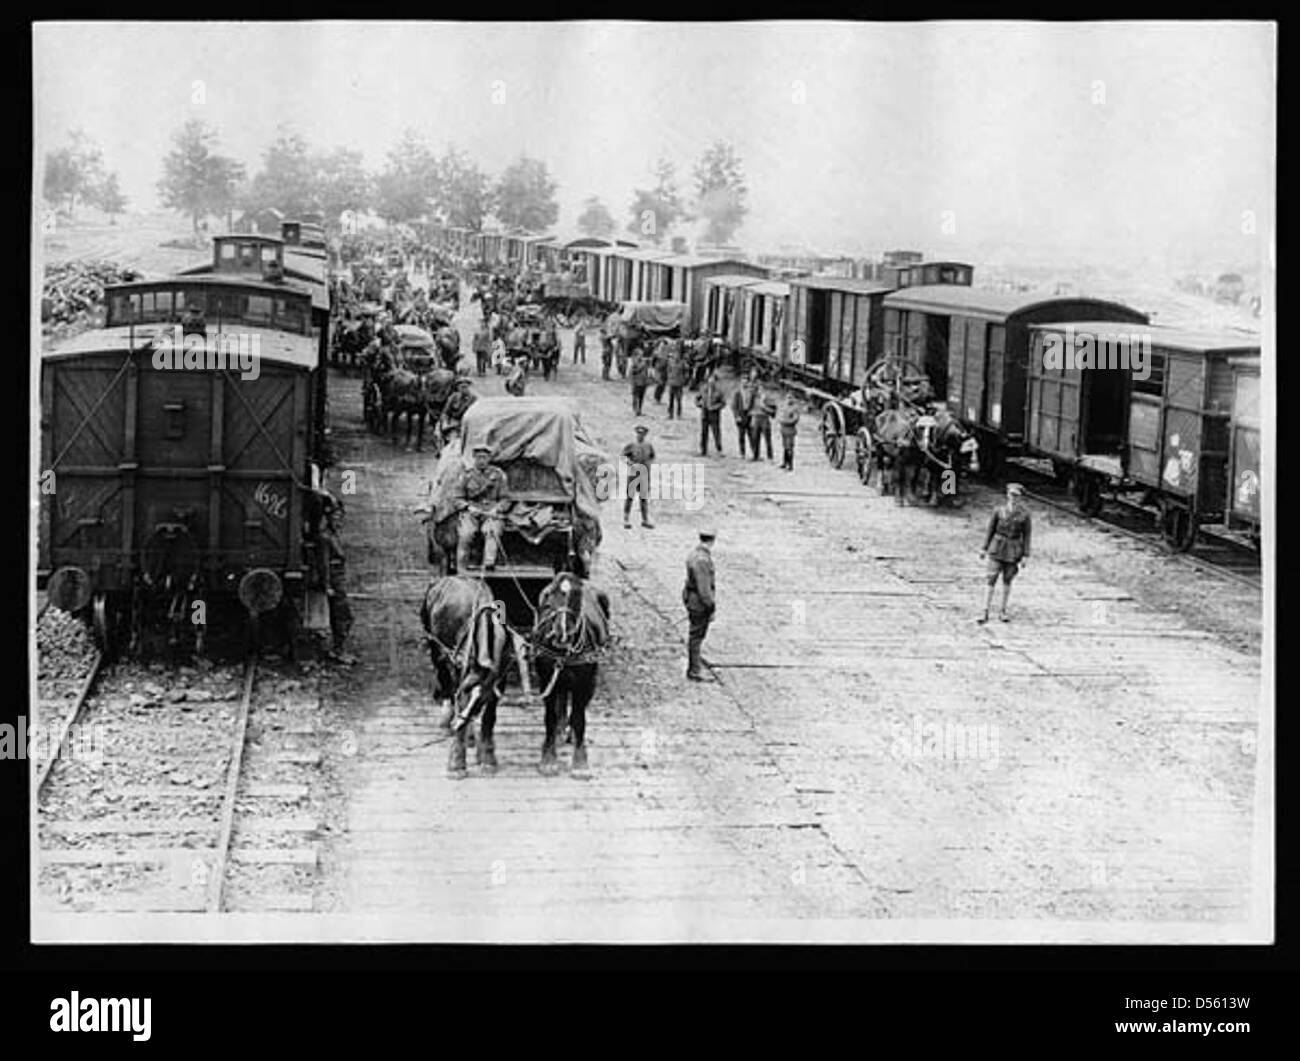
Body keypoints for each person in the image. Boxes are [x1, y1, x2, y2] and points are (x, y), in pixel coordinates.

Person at [312, 488, 355, 665]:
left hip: (338, 579)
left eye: (340, 516)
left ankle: (338, 648)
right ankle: (339, 650)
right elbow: (323, 563)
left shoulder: (332, 535)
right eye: (336, 516)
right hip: (334, 581)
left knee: (343, 617)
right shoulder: (325, 538)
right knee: (343, 616)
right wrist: (327, 585)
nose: (339, 520)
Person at [978, 483, 1032, 623]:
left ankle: (1003, 611)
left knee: (1007, 580)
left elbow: (1026, 536)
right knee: (991, 578)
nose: (1013, 498)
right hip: (997, 547)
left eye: (1017, 496)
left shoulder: (1025, 515)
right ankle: (985, 610)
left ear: (1020, 498)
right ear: (1007, 495)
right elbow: (990, 530)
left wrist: (1026, 555)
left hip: (1013, 550)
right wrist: (984, 548)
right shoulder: (998, 511)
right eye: (1011, 495)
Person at [455, 445, 508, 573]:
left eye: (484, 457)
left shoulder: (498, 475)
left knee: (491, 531)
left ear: (489, 458)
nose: (481, 460)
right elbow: (457, 499)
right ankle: (461, 567)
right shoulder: (466, 476)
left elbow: (505, 499)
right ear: (474, 458)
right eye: (478, 457)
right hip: (472, 512)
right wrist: (468, 507)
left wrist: (497, 509)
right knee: (466, 533)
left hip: (491, 512)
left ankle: (488, 565)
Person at [682, 526, 717, 681]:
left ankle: (694, 667)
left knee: (695, 636)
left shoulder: (694, 554)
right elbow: (704, 588)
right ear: (713, 540)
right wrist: (711, 607)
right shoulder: (702, 560)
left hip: (691, 598)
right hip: (699, 603)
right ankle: (694, 670)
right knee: (696, 636)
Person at [621, 424, 656, 529]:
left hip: (644, 475)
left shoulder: (648, 445)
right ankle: (626, 519)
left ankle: (645, 519)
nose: (641, 435)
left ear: (645, 434)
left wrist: (648, 465)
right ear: (636, 434)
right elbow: (623, 456)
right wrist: (630, 463)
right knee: (630, 497)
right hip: (633, 474)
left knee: (644, 498)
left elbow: (652, 456)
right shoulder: (631, 445)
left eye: (643, 434)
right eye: (639, 433)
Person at [697, 369, 726, 456]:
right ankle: (703, 450)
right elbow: (697, 398)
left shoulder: (719, 391)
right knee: (704, 432)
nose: (711, 381)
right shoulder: (703, 389)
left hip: (714, 414)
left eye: (713, 379)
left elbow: (723, 403)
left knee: (716, 432)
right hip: (704, 412)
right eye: (709, 379)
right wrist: (699, 404)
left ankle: (719, 449)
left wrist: (715, 407)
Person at [750, 379, 776, 461]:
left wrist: (764, 407)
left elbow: (773, 412)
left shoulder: (769, 399)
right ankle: (755, 455)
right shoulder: (754, 398)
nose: (760, 391)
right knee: (755, 437)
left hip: (765, 418)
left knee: (767, 438)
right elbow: (751, 408)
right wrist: (752, 418)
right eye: (758, 389)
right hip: (757, 418)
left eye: (762, 389)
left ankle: (770, 456)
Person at [731, 372, 756, 459]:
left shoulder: (751, 393)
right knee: (741, 435)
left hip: (749, 415)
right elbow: (734, 406)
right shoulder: (737, 393)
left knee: (752, 435)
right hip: (741, 415)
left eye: (746, 381)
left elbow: (754, 404)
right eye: (743, 381)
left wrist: (752, 413)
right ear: (740, 382)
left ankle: (754, 452)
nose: (745, 383)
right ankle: (742, 453)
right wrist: (737, 416)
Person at [777, 393, 801, 471]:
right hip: (783, 430)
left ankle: (790, 465)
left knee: (790, 448)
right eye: (788, 398)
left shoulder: (795, 408)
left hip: (790, 430)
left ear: (793, 399)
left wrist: (785, 421)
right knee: (785, 447)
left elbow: (795, 419)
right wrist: (782, 421)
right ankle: (784, 463)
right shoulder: (784, 407)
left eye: (791, 398)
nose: (789, 399)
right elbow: (779, 416)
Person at [665, 343, 688, 420]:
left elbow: (686, 372)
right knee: (670, 400)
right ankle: (670, 414)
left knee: (678, 400)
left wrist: (684, 379)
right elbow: (668, 371)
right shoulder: (670, 362)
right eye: (675, 354)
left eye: (677, 354)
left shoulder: (683, 363)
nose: (676, 356)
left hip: (679, 383)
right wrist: (669, 378)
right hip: (672, 383)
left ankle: (679, 414)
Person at [629, 348, 650, 415]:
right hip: (636, 382)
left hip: (643, 382)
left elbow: (646, 372)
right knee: (636, 397)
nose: (641, 356)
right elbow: (633, 372)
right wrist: (642, 366)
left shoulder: (644, 362)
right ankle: (636, 410)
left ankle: (639, 410)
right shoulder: (634, 363)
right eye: (639, 355)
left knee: (641, 397)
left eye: (642, 355)